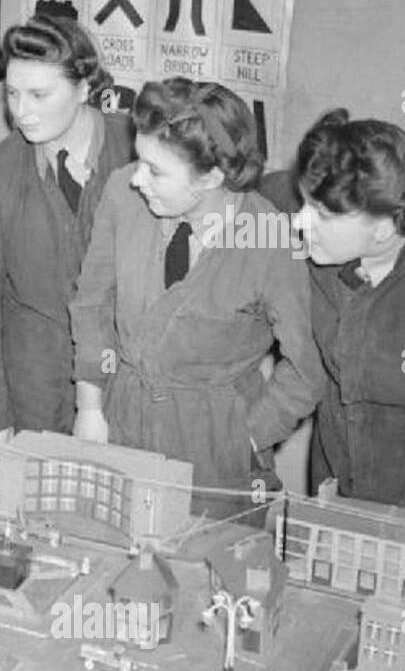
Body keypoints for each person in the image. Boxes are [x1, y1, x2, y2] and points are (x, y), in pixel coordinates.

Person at [69, 79, 323, 516]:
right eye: (139, 160)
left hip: (213, 439)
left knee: (211, 567)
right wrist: (90, 406)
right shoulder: (122, 193)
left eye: (156, 170)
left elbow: (305, 370)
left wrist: (242, 438)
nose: (138, 180)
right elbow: (92, 301)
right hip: (123, 414)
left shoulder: (270, 240)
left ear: (212, 176)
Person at [0, 14, 134, 447]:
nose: (21, 112)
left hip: (128, 383)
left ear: (85, 88)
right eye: (12, 93)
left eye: (39, 95)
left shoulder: (139, 153)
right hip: (35, 385)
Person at [288, 110, 405, 512]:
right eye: (304, 204)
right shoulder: (327, 243)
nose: (300, 221)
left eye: (322, 215)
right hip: (333, 488)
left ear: (384, 228)